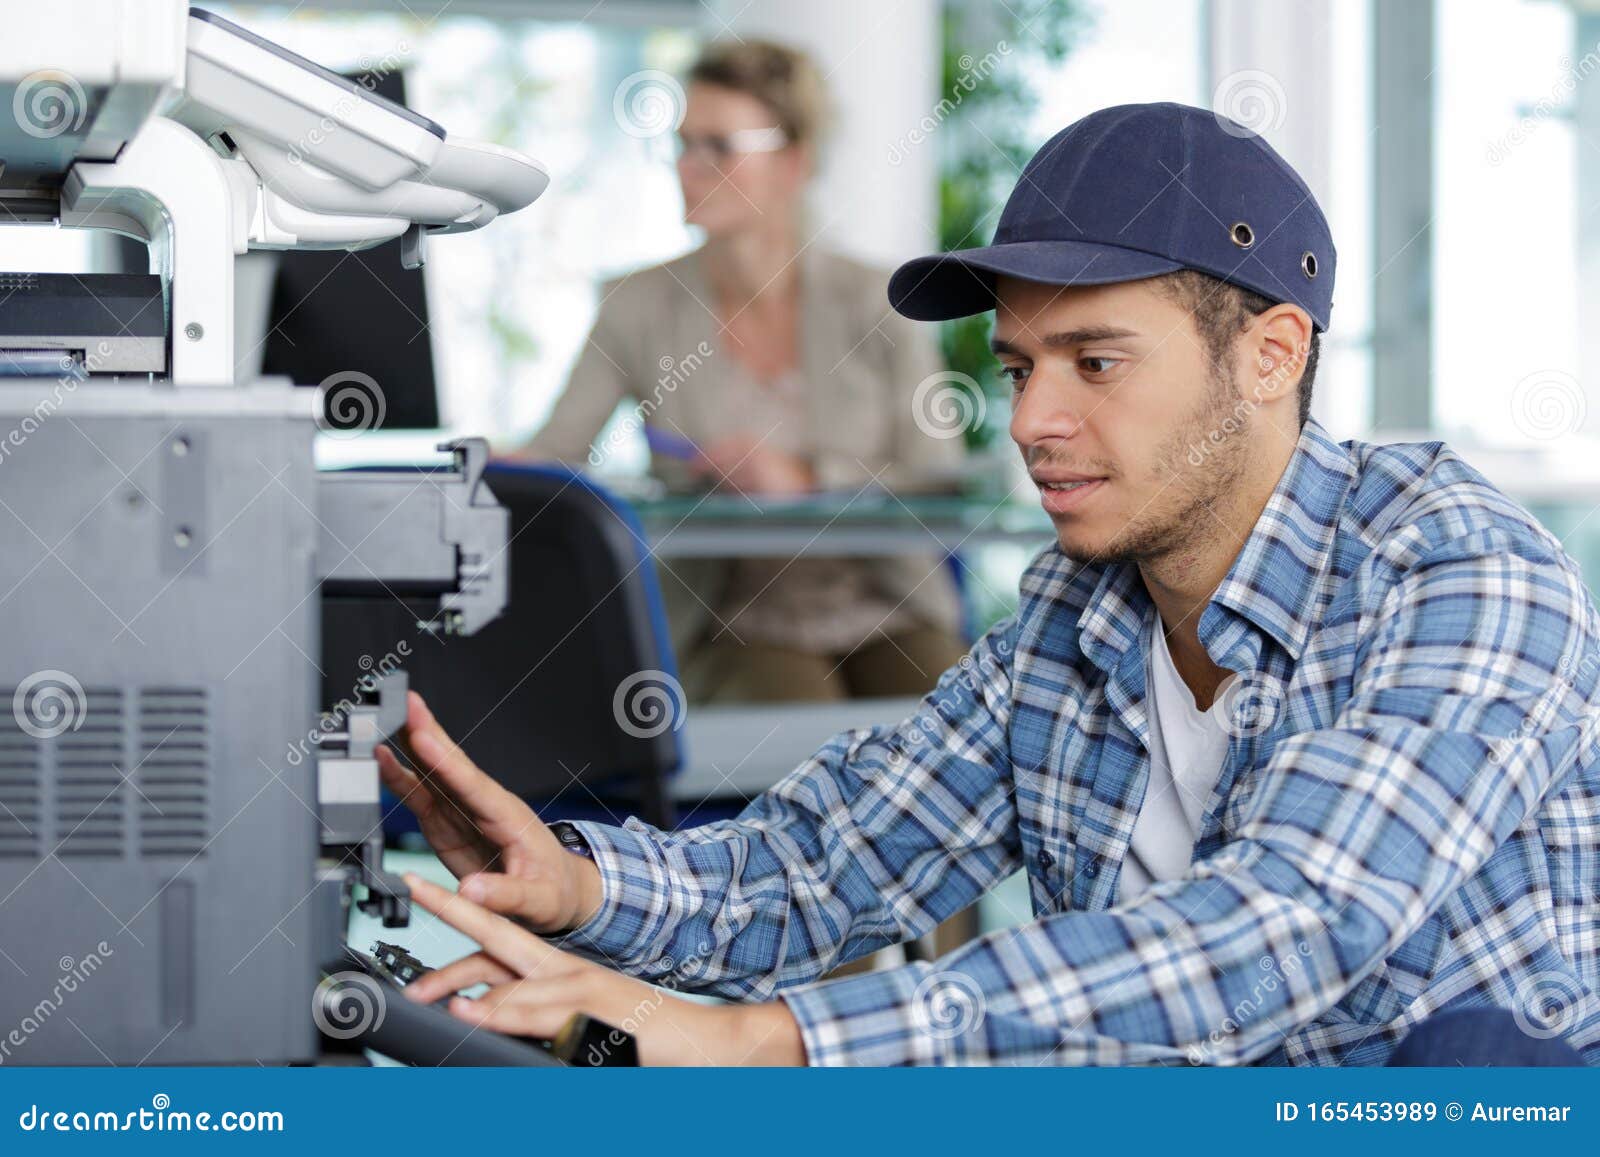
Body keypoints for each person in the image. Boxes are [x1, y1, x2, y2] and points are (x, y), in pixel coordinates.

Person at [379, 102, 1600, 1066]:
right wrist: (576, 878)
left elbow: (1284, 924)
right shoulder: (1077, 614)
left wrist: (760, 1039)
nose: (1030, 420)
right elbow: (829, 861)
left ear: (1270, 355)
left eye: (1095, 361)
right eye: (1019, 368)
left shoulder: (1461, 572)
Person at [511, 39, 968, 703]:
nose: (687, 167)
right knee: (801, 718)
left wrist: (808, 479)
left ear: (793, 162)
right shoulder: (636, 305)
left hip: (888, 603)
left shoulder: (881, 300)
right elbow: (555, 454)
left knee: (947, 712)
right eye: (683, 144)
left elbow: (938, 473)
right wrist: (487, 463)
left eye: (719, 147)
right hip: (732, 618)